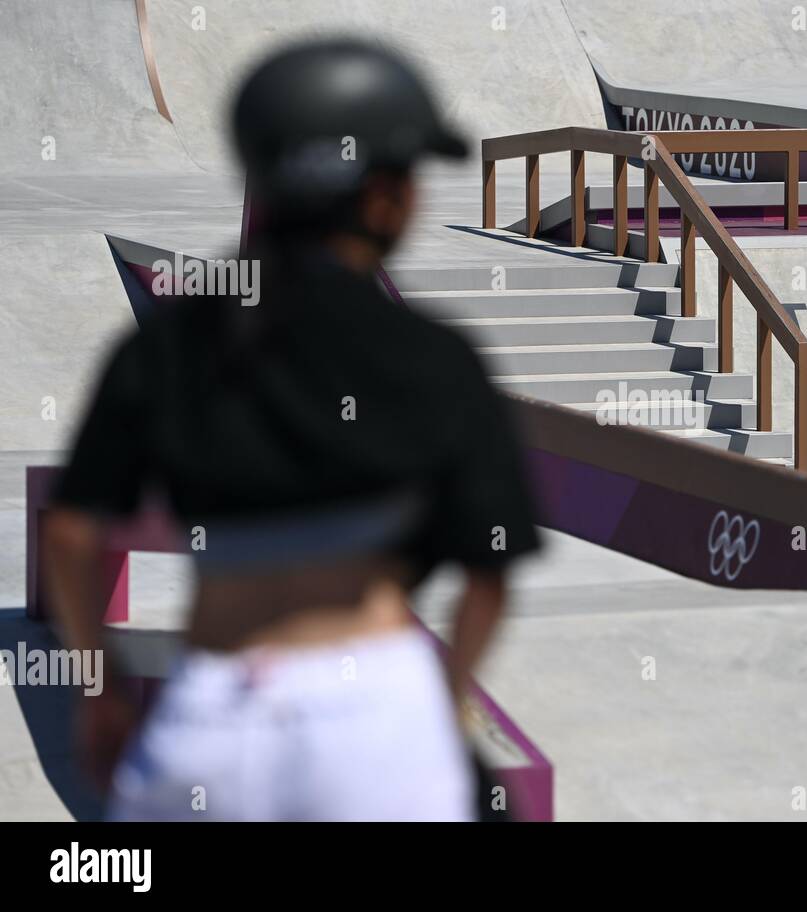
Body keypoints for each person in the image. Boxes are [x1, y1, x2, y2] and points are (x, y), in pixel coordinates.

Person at [42, 38, 539, 821]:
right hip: (376, 715)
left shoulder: (169, 347)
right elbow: (489, 575)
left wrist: (98, 693)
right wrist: (439, 706)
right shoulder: (433, 356)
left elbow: (71, 533)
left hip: (213, 716)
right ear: (382, 199)